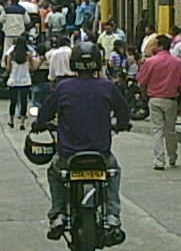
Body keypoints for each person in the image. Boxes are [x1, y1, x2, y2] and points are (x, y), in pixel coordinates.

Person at [33, 41, 131, 239]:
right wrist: (121, 125)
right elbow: (124, 112)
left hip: (68, 155)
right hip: (100, 154)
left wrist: (39, 125)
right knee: (113, 172)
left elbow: (45, 113)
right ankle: (112, 216)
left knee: (54, 172)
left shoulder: (63, 87)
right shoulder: (107, 86)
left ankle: (58, 214)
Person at [136, 34, 181, 170]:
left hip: (154, 99)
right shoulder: (178, 63)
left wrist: (144, 96)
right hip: (171, 100)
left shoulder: (150, 62)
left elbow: (142, 82)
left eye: (155, 44)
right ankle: (172, 156)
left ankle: (159, 161)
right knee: (170, 130)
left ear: (160, 46)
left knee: (157, 130)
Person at [4, 34, 36, 129]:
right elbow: (33, 67)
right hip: (25, 81)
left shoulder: (12, 55)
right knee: (24, 102)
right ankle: (22, 123)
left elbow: (8, 68)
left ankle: (11, 121)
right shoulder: (28, 55)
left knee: (13, 102)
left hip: (14, 81)